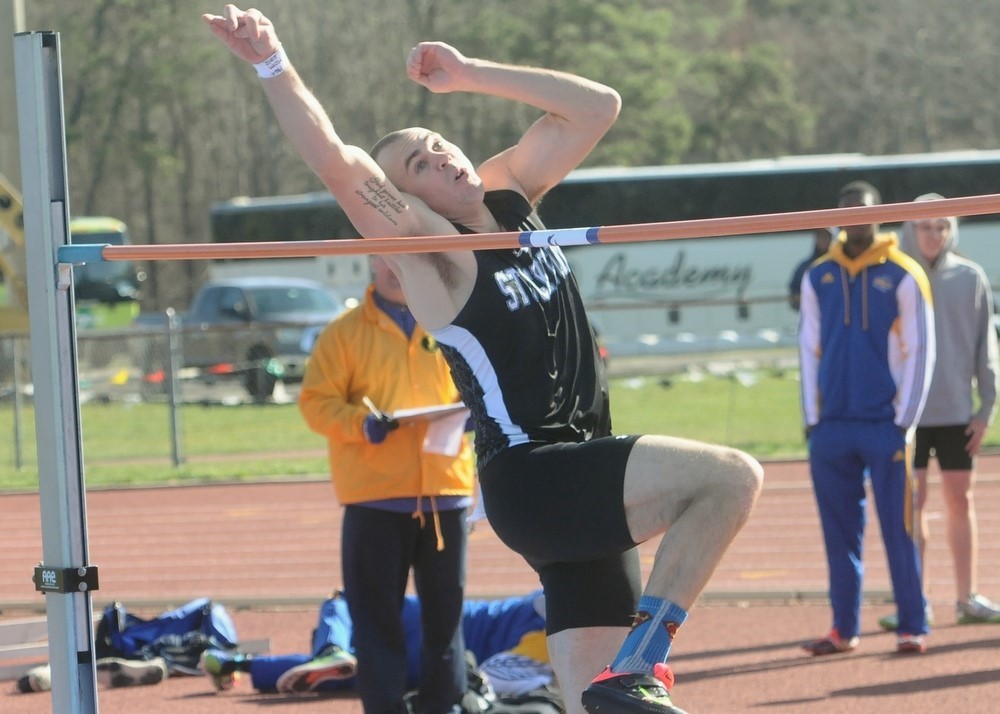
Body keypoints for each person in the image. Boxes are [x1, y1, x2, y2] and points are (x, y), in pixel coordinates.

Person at [204, 7, 764, 713]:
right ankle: (644, 660)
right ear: (407, 199)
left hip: (583, 474)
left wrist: (470, 74)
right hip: (534, 478)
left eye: (439, 145)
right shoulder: (431, 251)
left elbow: (596, 108)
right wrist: (271, 61)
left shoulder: (512, 197)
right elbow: (337, 164)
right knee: (731, 480)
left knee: (601, 706)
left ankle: (627, 675)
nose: (441, 157)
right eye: (419, 165)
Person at [297, 255, 477, 714]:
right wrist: (361, 424)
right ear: (372, 260)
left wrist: (476, 413)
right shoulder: (344, 331)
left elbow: (483, 387)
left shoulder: (451, 322)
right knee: (376, 622)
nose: (396, 267)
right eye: (386, 256)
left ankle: (444, 707)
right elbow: (316, 402)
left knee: (446, 623)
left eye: (408, 256)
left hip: (445, 493)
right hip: (374, 498)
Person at [798, 180, 936, 656]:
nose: (856, 221)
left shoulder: (903, 273)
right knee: (839, 533)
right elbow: (808, 351)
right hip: (832, 425)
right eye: (847, 213)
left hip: (885, 425)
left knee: (897, 529)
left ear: (881, 215)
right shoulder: (818, 276)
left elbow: (921, 350)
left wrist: (905, 419)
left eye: (864, 212)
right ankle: (843, 627)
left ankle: (912, 624)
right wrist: (813, 420)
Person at [877, 193, 1000, 629]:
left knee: (959, 498)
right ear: (911, 229)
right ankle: (917, 602)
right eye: (926, 226)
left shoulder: (971, 277)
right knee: (913, 503)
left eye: (942, 226)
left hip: (955, 411)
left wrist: (987, 407)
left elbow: (987, 347)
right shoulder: (894, 277)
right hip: (907, 413)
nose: (934, 234)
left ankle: (967, 597)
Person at [201, 589, 557, 706]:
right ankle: (240, 664)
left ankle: (330, 650)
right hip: (442, 665)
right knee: (362, 670)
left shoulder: (553, 620)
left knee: (349, 598)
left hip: (447, 624)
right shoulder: (555, 650)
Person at [787, 226, 833, 311]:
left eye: (827, 237)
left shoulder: (840, 267)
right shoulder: (805, 267)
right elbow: (793, 294)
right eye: (821, 236)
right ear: (816, 239)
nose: (824, 241)